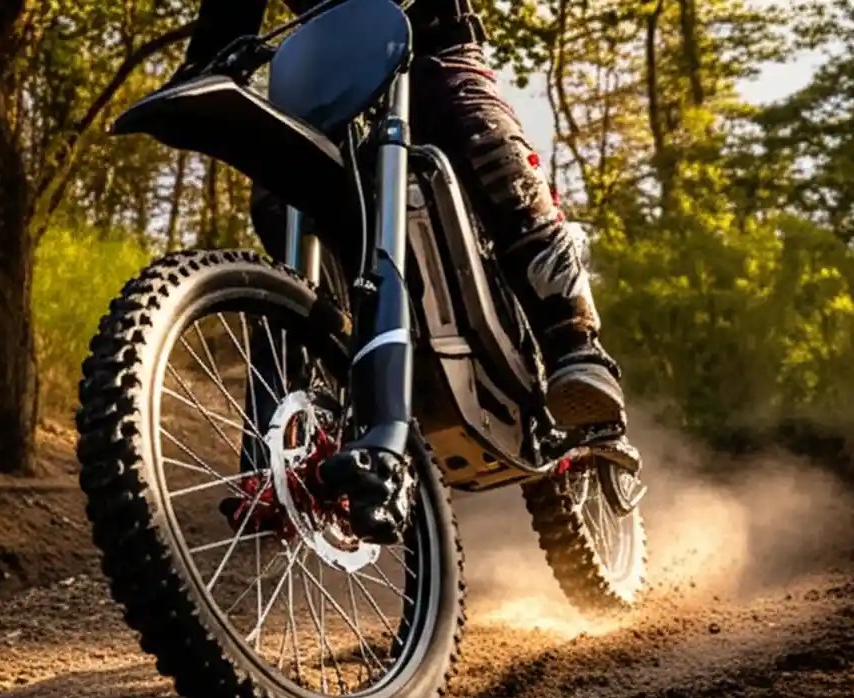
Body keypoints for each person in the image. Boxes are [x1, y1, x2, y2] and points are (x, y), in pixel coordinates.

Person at [180, 0, 627, 532]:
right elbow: (225, 24)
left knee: (485, 140)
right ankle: (278, 452)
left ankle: (573, 343)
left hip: (433, 44)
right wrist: (203, 68)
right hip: (331, 75)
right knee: (279, 204)